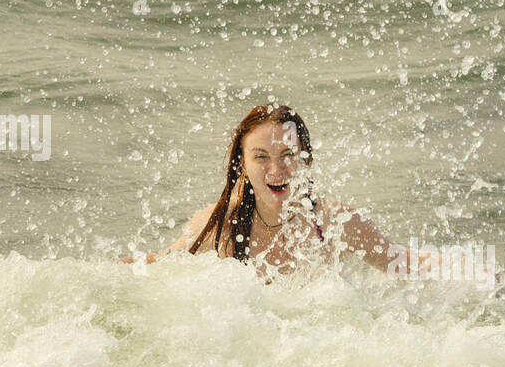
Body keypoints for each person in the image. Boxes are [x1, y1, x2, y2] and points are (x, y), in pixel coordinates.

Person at [119, 103, 472, 281]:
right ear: (242, 165)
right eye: (261, 157)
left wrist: (467, 270)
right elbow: (160, 266)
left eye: (288, 155)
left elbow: (401, 262)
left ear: (306, 160)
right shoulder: (219, 225)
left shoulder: (336, 222)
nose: (276, 170)